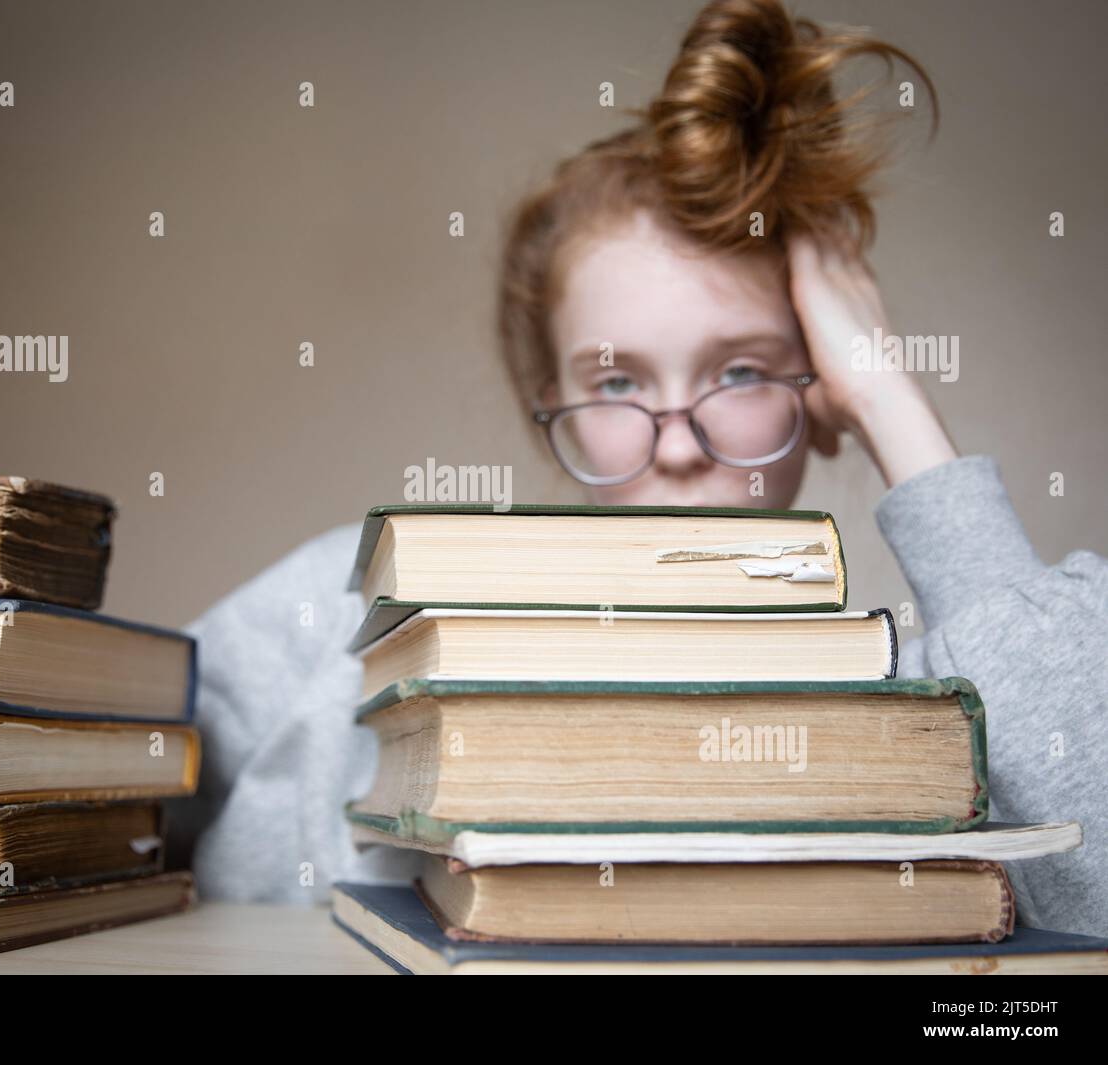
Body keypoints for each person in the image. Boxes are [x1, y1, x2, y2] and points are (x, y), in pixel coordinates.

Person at [173, 0, 1108, 935]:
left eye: (740, 371)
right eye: (617, 379)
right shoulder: (360, 609)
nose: (675, 442)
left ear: (817, 392)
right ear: (551, 404)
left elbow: (1092, 875)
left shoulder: (911, 705)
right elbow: (111, 781)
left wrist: (891, 399)